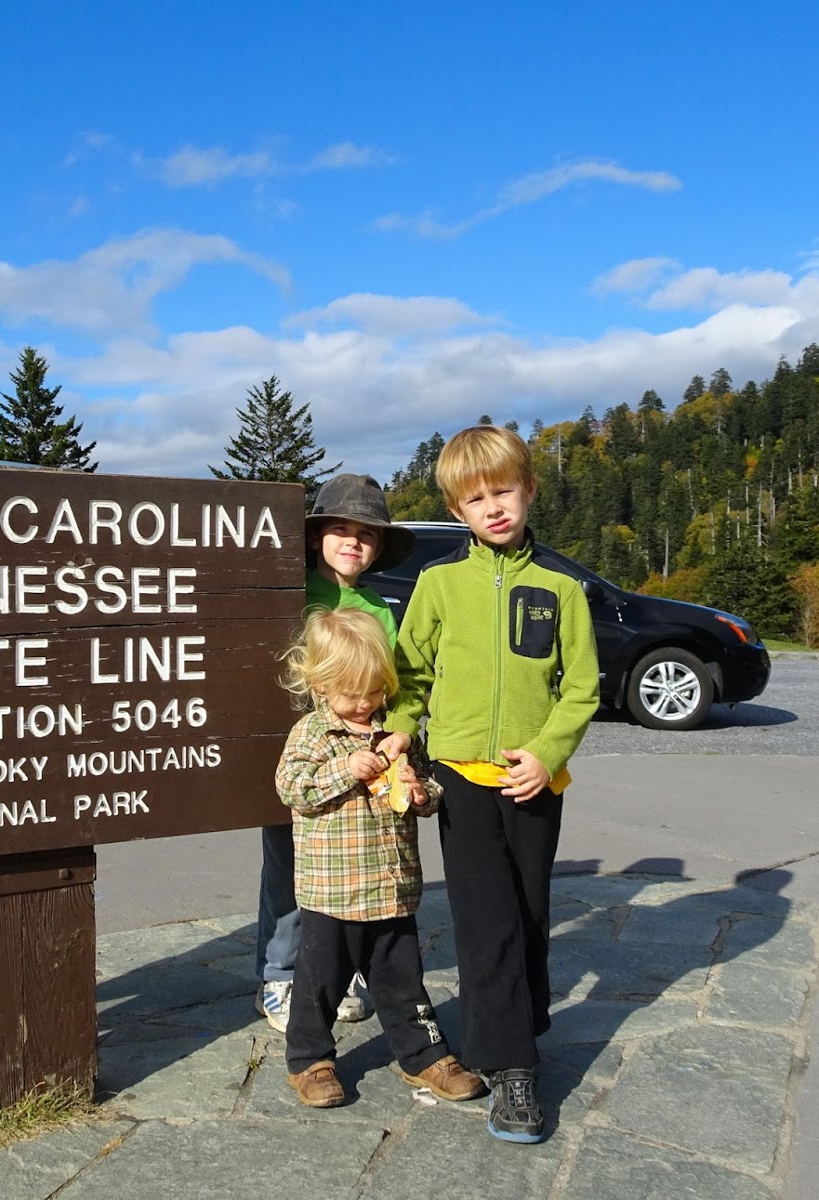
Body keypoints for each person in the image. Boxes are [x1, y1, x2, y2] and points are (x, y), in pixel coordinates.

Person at [378, 424, 599, 1143]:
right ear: (456, 512)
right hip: (462, 779)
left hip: (536, 783)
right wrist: (404, 732)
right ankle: (515, 1073)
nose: (493, 508)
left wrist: (546, 753)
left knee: (529, 914)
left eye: (504, 491)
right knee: (485, 921)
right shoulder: (438, 586)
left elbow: (583, 689)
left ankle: (511, 1030)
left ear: (529, 489)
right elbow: (408, 675)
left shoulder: (561, 589)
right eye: (475, 500)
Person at [274, 607, 486, 1108]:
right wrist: (345, 768)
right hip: (334, 889)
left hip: (391, 886)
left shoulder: (395, 733)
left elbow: (433, 786)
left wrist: (420, 793)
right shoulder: (313, 734)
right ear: (322, 686)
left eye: (375, 692)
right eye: (352, 694)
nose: (365, 704)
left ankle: (424, 1055)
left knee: (402, 979)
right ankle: (310, 1060)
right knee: (320, 980)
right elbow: (292, 788)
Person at [255, 474, 417, 1033]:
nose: (353, 542)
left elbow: (392, 684)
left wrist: (397, 736)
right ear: (317, 535)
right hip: (300, 752)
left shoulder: (379, 607)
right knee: (287, 868)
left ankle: (340, 974)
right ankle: (279, 975)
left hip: (359, 758)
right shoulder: (289, 587)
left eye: (366, 535)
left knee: (349, 870)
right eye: (340, 530)